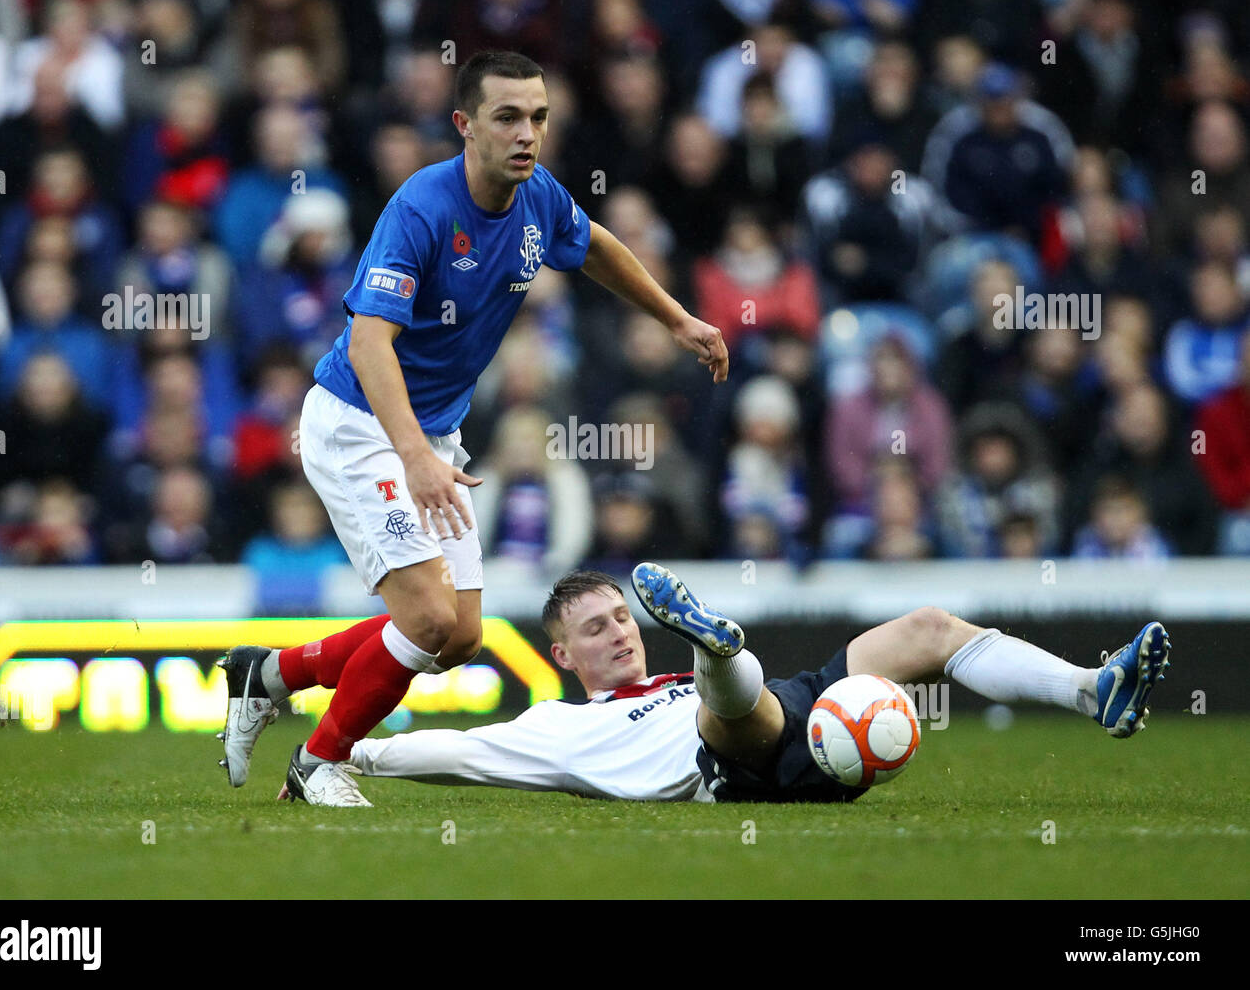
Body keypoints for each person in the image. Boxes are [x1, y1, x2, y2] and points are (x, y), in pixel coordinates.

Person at [217, 51, 730, 806]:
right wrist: (415, 453)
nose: (529, 134)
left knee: (459, 635)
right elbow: (368, 341)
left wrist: (677, 317)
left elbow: (594, 246)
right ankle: (319, 761)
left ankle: (269, 674)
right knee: (425, 617)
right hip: (362, 423)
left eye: (540, 117)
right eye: (508, 118)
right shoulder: (422, 208)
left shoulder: (538, 196)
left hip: (431, 434)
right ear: (465, 125)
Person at [270, 562, 1169, 806]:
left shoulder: (650, 678)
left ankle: (1094, 688)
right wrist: (349, 754)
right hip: (735, 761)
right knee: (727, 717)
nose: (617, 633)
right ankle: (715, 646)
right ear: (563, 658)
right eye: (596, 630)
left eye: (622, 617)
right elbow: (458, 752)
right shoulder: (555, 729)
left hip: (787, 700)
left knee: (928, 630)